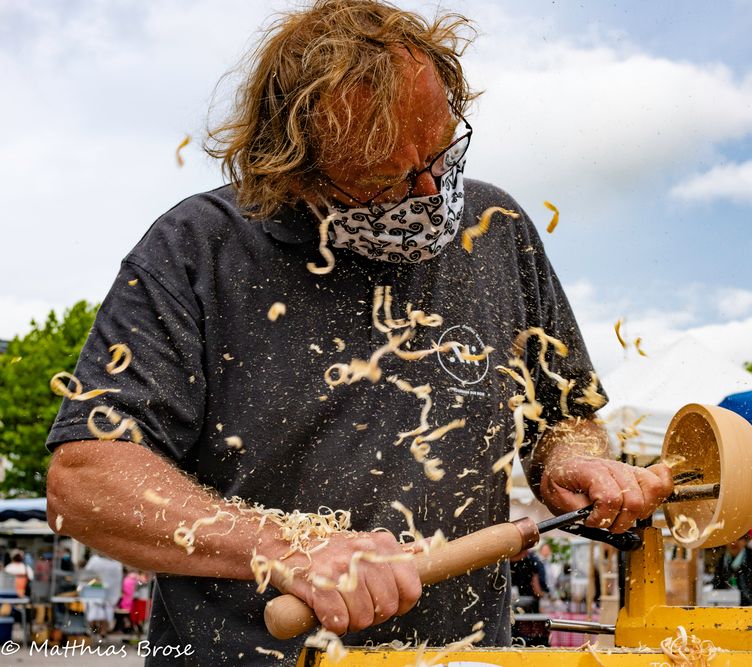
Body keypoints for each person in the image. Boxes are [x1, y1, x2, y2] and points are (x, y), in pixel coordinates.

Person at [44, 1, 674, 663]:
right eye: (383, 179)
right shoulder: (200, 250)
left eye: (439, 153)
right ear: (291, 168)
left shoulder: (497, 232)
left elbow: (564, 416)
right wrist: (285, 547)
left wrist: (571, 459)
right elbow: (84, 480)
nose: (430, 192)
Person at [82, 551, 124, 639]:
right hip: (104, 591)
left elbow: (87, 575)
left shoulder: (95, 561)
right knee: (103, 612)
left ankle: (94, 630)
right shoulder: (115, 564)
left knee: (95, 611)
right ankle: (101, 630)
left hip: (96, 590)